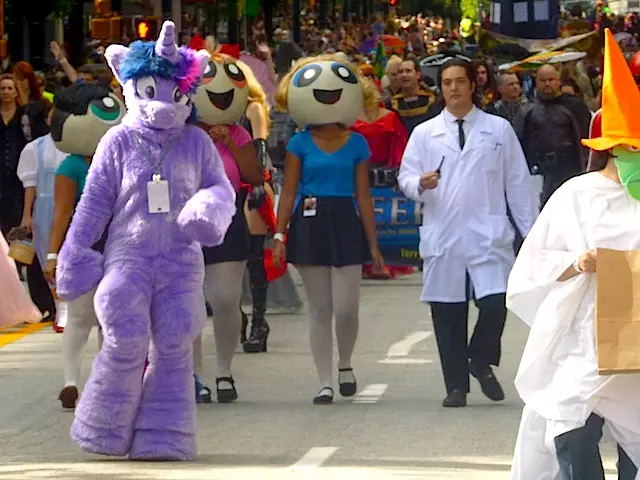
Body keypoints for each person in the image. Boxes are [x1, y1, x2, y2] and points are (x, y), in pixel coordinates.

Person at [55, 22, 235, 460]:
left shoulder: (196, 142)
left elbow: (221, 188)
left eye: (174, 95)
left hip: (180, 262)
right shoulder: (117, 141)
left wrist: (208, 209)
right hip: (128, 258)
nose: (162, 105)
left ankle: (164, 434)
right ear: (130, 85)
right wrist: (75, 252)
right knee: (124, 333)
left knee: (175, 340)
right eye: (150, 91)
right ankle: (103, 426)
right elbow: (94, 201)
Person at [508, 30, 640, 480]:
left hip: (638, 354)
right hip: (581, 341)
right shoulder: (575, 196)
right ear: (612, 149)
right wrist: (578, 262)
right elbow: (533, 264)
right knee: (573, 436)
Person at [397, 58, 537, 408]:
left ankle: (479, 357)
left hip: (487, 231)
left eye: (460, 81)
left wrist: (533, 235)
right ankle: (456, 386)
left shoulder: (498, 130)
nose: (454, 88)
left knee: (496, 302)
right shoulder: (425, 133)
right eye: (447, 82)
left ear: (473, 85)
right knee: (447, 311)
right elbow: (405, 178)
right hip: (443, 232)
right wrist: (420, 183)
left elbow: (517, 183)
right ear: (440, 88)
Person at [273, 54, 385, 405]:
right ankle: (324, 380)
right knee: (319, 308)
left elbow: (364, 195)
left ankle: (346, 363)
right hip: (310, 221)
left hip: (345, 220)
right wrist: (279, 233)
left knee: (347, 306)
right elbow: (288, 190)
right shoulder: (299, 144)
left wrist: (374, 243)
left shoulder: (357, 143)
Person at [44, 83, 126, 408]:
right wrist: (53, 255)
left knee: (112, 316)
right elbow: (61, 214)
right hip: (84, 248)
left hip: (118, 246)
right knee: (80, 317)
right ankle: (70, 381)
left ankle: (107, 381)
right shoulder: (72, 167)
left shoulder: (120, 161)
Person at [191, 52, 262, 404]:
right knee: (188, 301)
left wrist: (228, 141)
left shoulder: (239, 133)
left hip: (227, 219)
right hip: (185, 222)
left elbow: (252, 175)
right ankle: (195, 375)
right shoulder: (181, 132)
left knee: (225, 299)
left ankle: (224, 370)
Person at [519, 64, 592, 207]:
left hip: (572, 169)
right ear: (536, 82)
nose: (547, 84)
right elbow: (523, 143)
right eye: (542, 80)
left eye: (551, 79)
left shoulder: (574, 106)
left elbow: (587, 138)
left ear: (558, 81)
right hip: (543, 173)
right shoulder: (528, 111)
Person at [387, 59, 438, 135]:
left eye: (408, 71)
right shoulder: (391, 105)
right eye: (401, 72)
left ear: (418, 74)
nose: (404, 75)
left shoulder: (434, 101)